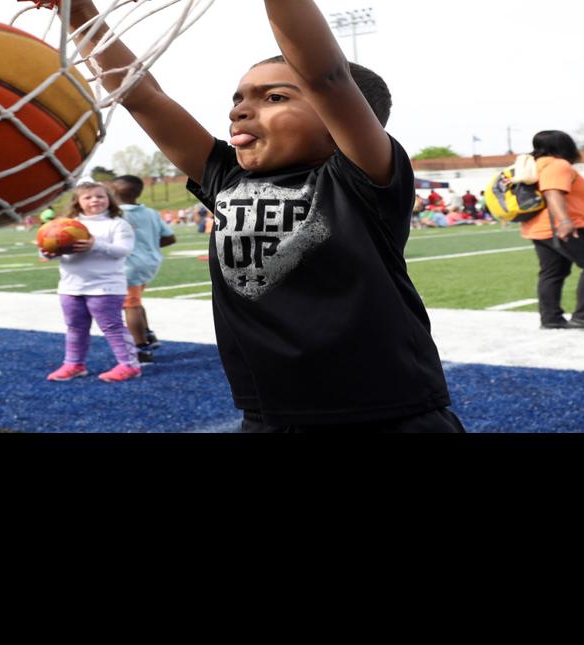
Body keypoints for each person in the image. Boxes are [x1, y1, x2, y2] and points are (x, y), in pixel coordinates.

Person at [47, 0, 460, 432]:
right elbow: (143, 97)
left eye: (274, 97)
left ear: (339, 117)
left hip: (389, 412)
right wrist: (77, 14)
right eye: (238, 98)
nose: (239, 110)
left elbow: (326, 75)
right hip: (269, 414)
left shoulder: (360, 178)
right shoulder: (225, 178)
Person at [40, 181, 142, 383]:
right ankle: (74, 364)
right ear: (78, 202)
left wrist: (95, 245)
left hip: (106, 287)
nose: (94, 200)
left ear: (109, 200)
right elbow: (47, 248)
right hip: (71, 286)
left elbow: (123, 251)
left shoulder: (117, 223)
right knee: (75, 328)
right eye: (88, 197)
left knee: (112, 327)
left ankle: (130, 365)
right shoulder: (65, 223)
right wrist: (47, 251)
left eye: (100, 196)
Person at [523, 131, 584, 331]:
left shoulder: (538, 165)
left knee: (553, 272)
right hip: (564, 227)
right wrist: (565, 221)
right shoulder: (558, 165)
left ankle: (550, 318)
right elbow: (553, 193)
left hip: (540, 228)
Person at [111, 174, 177, 363]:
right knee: (136, 301)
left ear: (114, 192)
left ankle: (141, 348)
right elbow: (170, 237)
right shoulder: (150, 212)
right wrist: (149, 246)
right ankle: (147, 334)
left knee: (130, 306)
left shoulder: (116, 214)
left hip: (128, 266)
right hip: (149, 263)